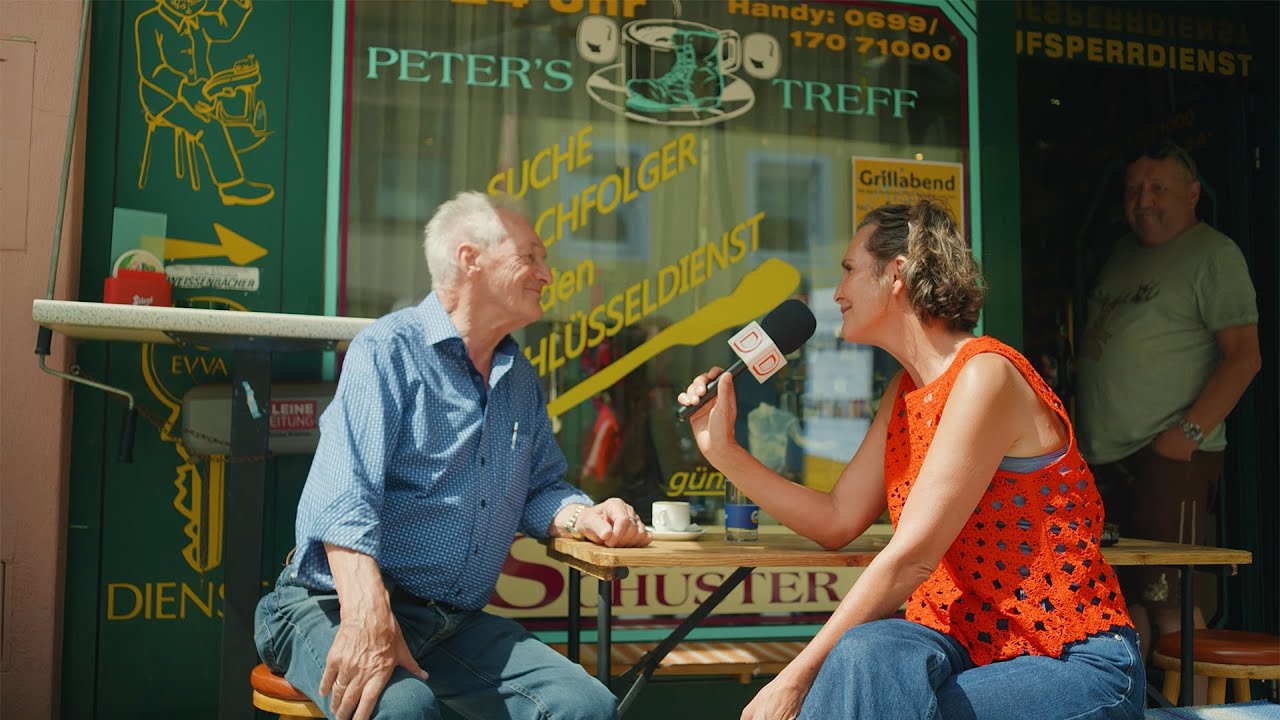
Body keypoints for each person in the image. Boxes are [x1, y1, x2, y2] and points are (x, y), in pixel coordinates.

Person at [679, 199, 1144, 720]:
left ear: (896, 274)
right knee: (865, 654)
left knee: (899, 705)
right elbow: (836, 520)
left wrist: (792, 681)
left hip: (1070, 661)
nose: (836, 292)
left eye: (850, 270)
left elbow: (911, 557)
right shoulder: (903, 392)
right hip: (967, 651)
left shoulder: (985, 374)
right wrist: (723, 451)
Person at [255, 191, 651, 720]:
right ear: (470, 259)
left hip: (451, 622)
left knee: (586, 707)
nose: (546, 274)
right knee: (403, 709)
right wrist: (368, 615)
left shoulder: (519, 378)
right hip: (331, 603)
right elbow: (343, 498)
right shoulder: (388, 349)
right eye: (530, 256)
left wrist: (584, 515)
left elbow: (539, 488)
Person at [1077, 142, 1261, 663]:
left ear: (1193, 194)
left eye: (1159, 187)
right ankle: (1133, 708)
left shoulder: (1214, 254)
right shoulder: (1121, 254)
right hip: (1104, 456)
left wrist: (1186, 438)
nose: (1144, 200)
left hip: (1168, 457)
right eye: (1135, 189)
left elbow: (1245, 357)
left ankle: (1197, 714)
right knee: (1117, 603)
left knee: (1171, 605)